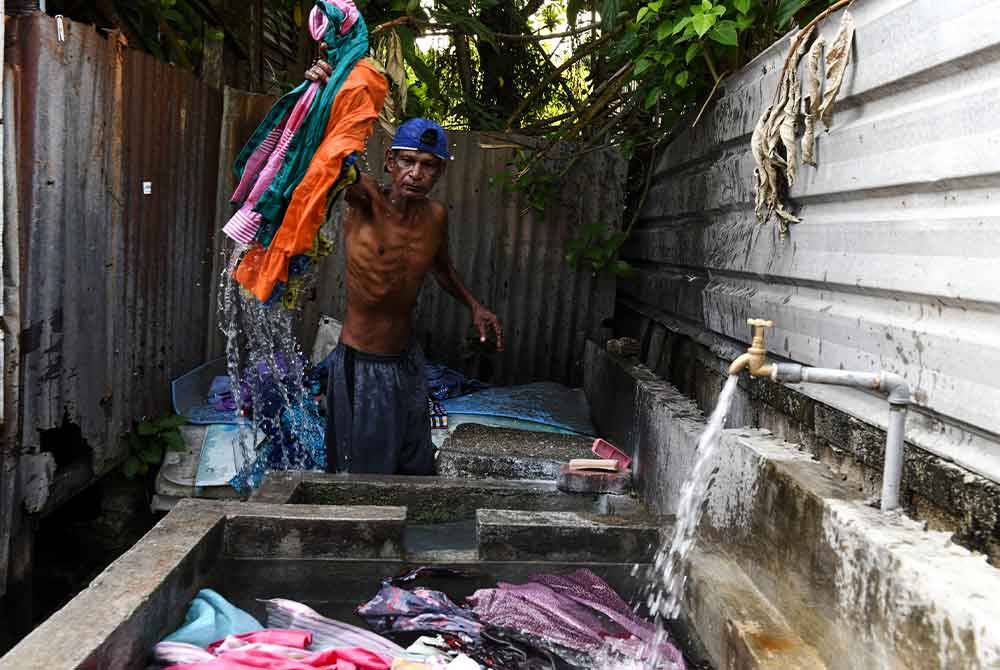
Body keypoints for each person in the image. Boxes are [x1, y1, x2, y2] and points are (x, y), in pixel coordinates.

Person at [307, 62, 504, 475]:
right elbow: (328, 159)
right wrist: (322, 96)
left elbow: (441, 268)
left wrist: (474, 305)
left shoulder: (435, 217)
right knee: (362, 473)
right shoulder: (365, 201)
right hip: (361, 363)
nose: (416, 174)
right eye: (408, 161)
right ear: (390, 162)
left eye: (428, 165)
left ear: (440, 171)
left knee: (414, 465)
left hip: (406, 361)